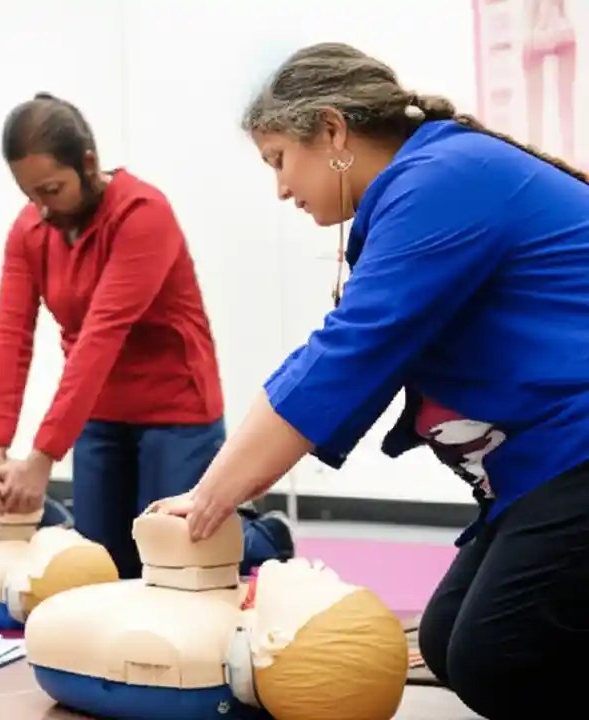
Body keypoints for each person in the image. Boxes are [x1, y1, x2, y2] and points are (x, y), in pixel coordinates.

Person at [157, 42, 589, 719]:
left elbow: (345, 357)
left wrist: (210, 498)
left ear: (331, 130)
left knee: (499, 654)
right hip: (547, 468)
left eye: (278, 160)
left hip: (579, 453)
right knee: (448, 644)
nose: (279, 187)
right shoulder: (425, 183)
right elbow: (348, 357)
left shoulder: (441, 181)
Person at [0, 93, 295, 579]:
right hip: (99, 411)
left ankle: (259, 535)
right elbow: (11, 335)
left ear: (89, 163)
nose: (42, 208)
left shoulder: (143, 213)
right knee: (104, 566)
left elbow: (100, 337)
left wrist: (41, 459)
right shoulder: (30, 229)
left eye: (52, 190)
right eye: (30, 194)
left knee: (172, 557)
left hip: (175, 409)